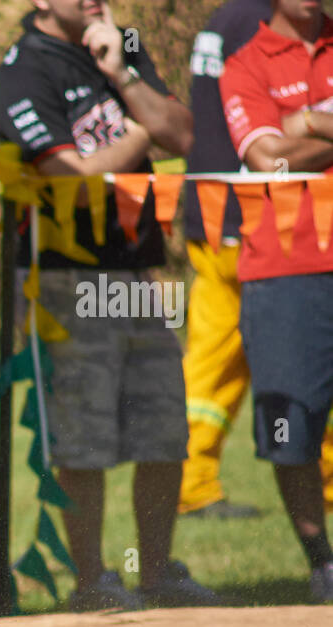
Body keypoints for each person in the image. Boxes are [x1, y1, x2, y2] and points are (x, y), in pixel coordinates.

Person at [0, 1, 218, 610]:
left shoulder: (122, 45)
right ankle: (91, 582)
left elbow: (188, 136)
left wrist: (122, 74)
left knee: (165, 428)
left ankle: (158, 572)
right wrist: (142, 128)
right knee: (82, 439)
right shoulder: (23, 69)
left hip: (137, 272)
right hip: (62, 281)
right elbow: (73, 181)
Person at [219, 0, 333, 601]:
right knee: (292, 429)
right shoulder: (243, 64)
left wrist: (306, 123)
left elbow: (289, 146)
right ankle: (322, 566)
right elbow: (269, 161)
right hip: (285, 270)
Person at [179, 0, 275, 520]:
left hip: (216, 215)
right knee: (303, 345)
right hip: (246, 218)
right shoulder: (257, 22)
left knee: (216, 358)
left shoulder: (226, 17)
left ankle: (191, 482)